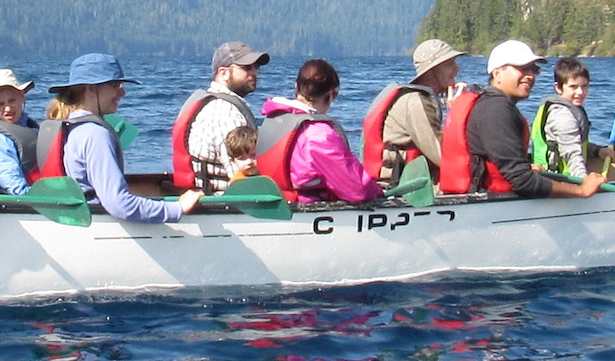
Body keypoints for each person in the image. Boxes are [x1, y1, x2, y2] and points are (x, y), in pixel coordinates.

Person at [31, 54, 200, 224]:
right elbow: (119, 204)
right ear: (91, 89)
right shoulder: (95, 134)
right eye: (115, 85)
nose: (122, 92)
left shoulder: (71, 128)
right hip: (98, 224)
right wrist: (177, 208)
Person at [436, 41, 608, 200]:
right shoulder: (496, 110)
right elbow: (522, 182)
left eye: (533, 69)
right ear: (497, 74)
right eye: (522, 68)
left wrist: (526, 167)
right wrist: (581, 190)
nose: (530, 75)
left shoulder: (491, 104)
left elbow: (511, 168)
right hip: (487, 204)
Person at [255, 59, 380, 206]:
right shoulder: (319, 135)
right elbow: (358, 190)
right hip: (305, 206)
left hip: (278, 203)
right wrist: (378, 192)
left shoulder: (275, 119)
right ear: (331, 95)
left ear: (296, 87)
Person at [361, 38, 461, 194]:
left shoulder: (419, 99)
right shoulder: (416, 103)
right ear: (431, 70)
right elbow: (442, 157)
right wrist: (456, 112)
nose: (457, 70)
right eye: (449, 64)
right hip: (398, 188)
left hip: (406, 182)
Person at [171, 41, 267, 190]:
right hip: (219, 196)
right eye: (247, 68)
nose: (255, 73)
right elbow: (240, 177)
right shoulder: (226, 113)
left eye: (256, 67)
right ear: (223, 73)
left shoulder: (209, 101)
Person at [529, 55, 601, 181]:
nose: (580, 92)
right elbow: (572, 153)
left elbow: (573, 142)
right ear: (558, 87)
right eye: (573, 87)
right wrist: (583, 182)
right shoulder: (562, 116)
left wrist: (597, 150)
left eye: (584, 86)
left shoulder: (569, 108)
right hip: (558, 181)